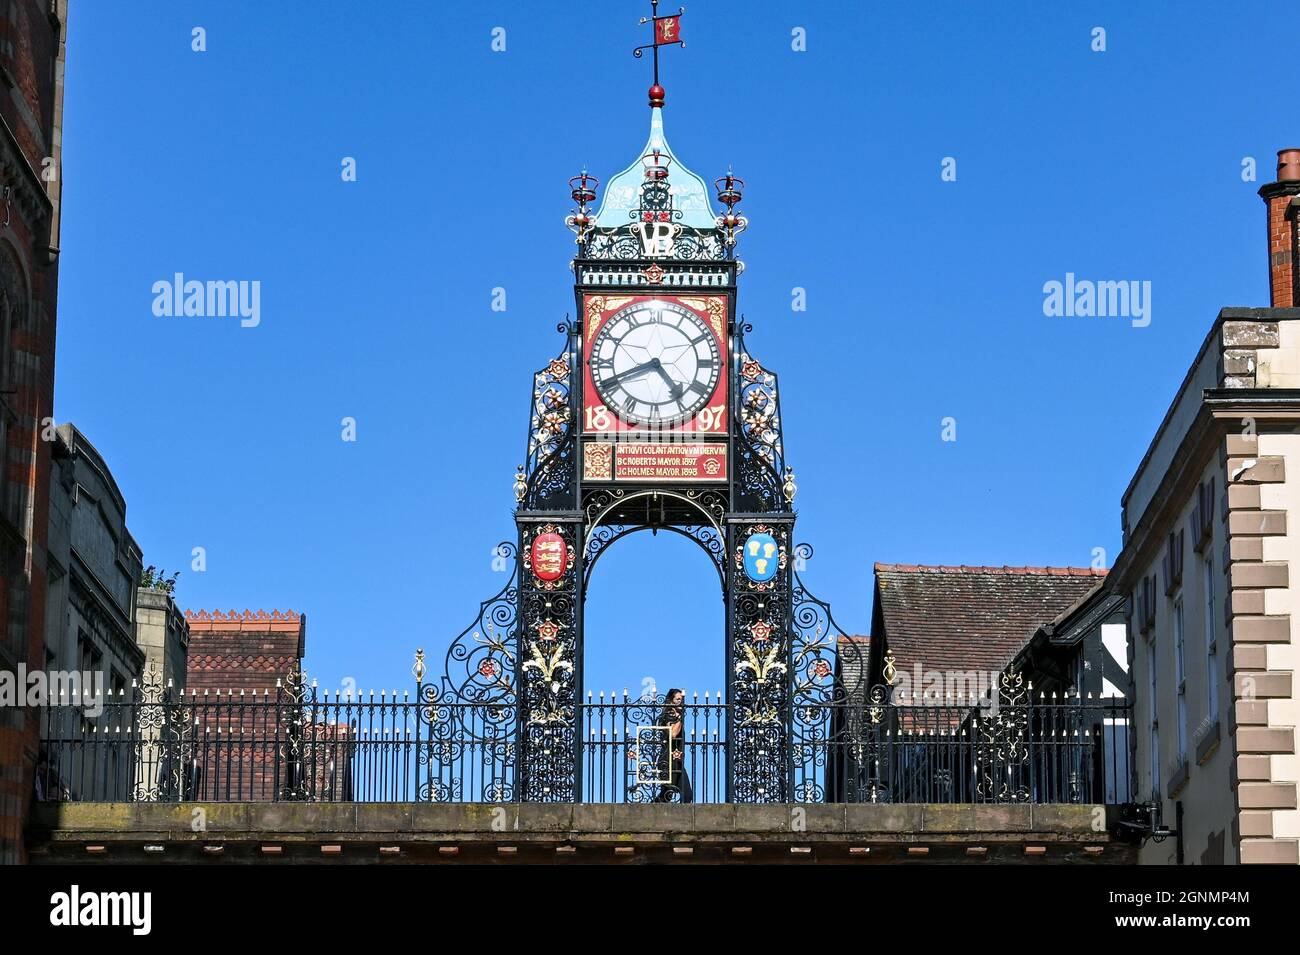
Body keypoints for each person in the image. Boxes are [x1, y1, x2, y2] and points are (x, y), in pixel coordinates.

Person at [653, 688, 693, 804]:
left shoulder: (677, 716)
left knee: (687, 795)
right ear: (671, 701)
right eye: (678, 699)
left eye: (682, 699)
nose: (681, 701)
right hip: (667, 761)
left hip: (678, 761)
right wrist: (679, 718)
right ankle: (648, 812)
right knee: (667, 793)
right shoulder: (667, 716)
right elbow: (673, 734)